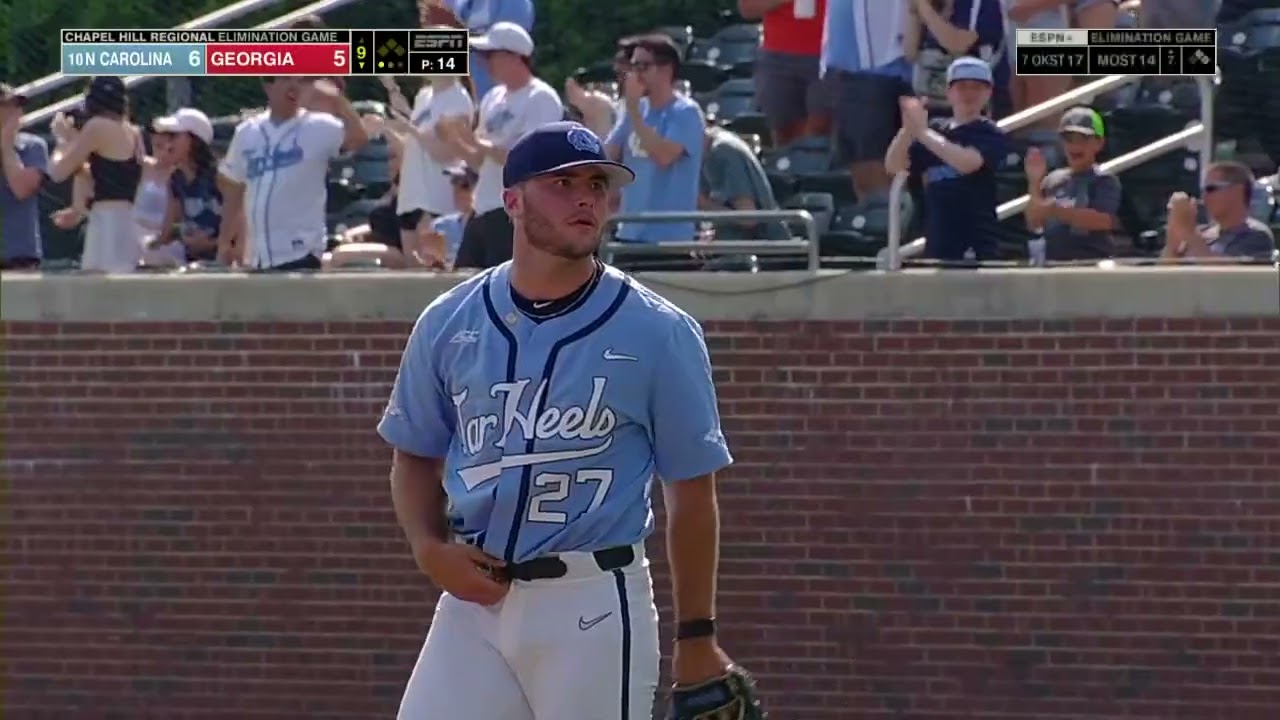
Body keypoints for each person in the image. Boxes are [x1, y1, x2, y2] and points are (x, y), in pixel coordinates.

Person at [378, 121, 740, 719]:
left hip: (592, 601)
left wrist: (697, 635)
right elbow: (414, 453)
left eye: (597, 184)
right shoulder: (448, 320)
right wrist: (426, 547)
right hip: (473, 602)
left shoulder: (660, 330)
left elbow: (693, 495)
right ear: (512, 200)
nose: (585, 198)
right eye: (563, 183)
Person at [216, 77, 369, 271]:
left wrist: (338, 100)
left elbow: (358, 138)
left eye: (299, 80)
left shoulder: (320, 126)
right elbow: (234, 189)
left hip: (301, 253)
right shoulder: (247, 132)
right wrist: (226, 242)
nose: (293, 86)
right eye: (285, 79)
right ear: (268, 85)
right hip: (257, 256)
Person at [445, 22, 563, 270]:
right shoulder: (492, 98)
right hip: (484, 206)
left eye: (490, 55)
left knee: (504, 288)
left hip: (516, 212)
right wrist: (457, 140)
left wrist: (476, 141)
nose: (483, 62)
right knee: (464, 283)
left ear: (515, 56)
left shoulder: (541, 98)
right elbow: (481, 160)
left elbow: (528, 161)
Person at [885, 57, 1009, 264]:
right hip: (936, 244)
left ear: (988, 93)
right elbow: (893, 166)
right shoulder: (935, 130)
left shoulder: (990, 133)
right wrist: (908, 130)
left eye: (977, 87)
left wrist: (922, 132)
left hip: (977, 247)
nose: (969, 94)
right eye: (962, 86)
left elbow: (968, 163)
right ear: (949, 92)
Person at [605, 34, 706, 259]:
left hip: (668, 240)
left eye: (643, 66)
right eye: (633, 66)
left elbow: (663, 156)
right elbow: (608, 155)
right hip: (629, 233)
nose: (636, 74)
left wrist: (633, 112)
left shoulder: (685, 113)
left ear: (666, 69)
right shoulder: (634, 109)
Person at [45, 76, 146, 273]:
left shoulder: (97, 126)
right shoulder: (133, 131)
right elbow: (105, 176)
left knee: (98, 297)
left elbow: (57, 172)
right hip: (127, 221)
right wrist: (78, 208)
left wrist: (62, 140)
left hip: (106, 223)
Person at [821, 0, 912, 199]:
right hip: (844, 67)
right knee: (861, 174)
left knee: (875, 171)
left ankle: (891, 228)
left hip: (879, 68)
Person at [382, 73, 474, 259]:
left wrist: (409, 129)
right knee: (413, 273)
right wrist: (386, 127)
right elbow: (414, 144)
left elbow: (446, 153)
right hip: (411, 197)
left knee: (433, 268)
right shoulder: (424, 95)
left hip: (435, 198)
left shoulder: (458, 99)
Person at [1023, 107, 1122, 263]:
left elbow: (1104, 221)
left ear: (1099, 143)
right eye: (1069, 139)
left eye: (1082, 139)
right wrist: (1034, 181)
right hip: (1055, 262)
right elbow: (1034, 222)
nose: (1075, 146)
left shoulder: (1104, 180)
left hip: (1090, 262)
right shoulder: (1052, 180)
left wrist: (1057, 211)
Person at [738, 0, 830, 147]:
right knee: (784, 133)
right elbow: (747, 8)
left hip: (828, 57)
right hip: (777, 57)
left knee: (821, 131)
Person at [147, 108, 223, 266]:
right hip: (192, 261)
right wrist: (148, 246)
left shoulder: (219, 175)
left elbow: (240, 222)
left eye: (174, 137)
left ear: (194, 140)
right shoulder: (175, 179)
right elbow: (168, 231)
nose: (168, 144)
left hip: (223, 259)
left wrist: (212, 243)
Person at [1159, 161, 1276, 263]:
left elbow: (1225, 277)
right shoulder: (1202, 233)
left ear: (1237, 191)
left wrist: (1189, 231)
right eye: (1203, 190)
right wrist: (1173, 237)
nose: (1204, 197)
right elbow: (1161, 278)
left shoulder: (1256, 236)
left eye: (1211, 189)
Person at [699, 125, 790, 241]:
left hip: (765, 250)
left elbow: (748, 218)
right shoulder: (714, 149)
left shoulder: (722, 152)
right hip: (740, 247)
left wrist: (701, 203)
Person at [0, 83, 48, 271]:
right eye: (6, 106)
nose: (16, 112)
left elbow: (21, 189)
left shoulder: (33, 146)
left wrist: (6, 146)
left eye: (17, 106)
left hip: (20, 256)